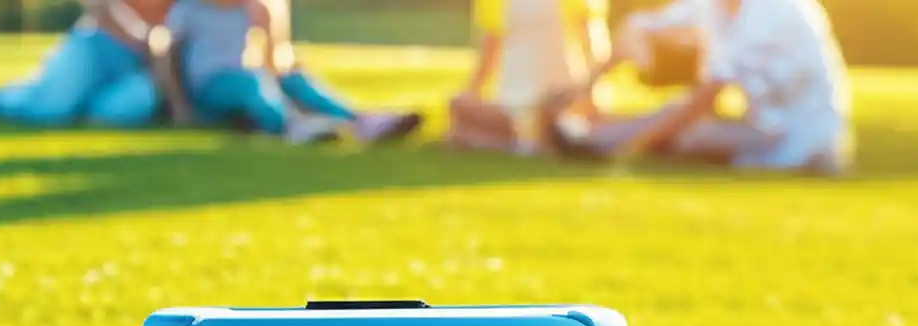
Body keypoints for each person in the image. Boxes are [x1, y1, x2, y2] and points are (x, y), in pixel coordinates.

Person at [548, 0, 854, 174]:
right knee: (680, 122)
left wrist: (636, 147)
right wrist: (589, 88)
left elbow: (702, 101)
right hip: (765, 125)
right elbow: (639, 26)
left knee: (689, 130)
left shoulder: (774, 10)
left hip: (801, 137)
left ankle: (596, 141)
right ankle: (589, 135)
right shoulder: (714, 6)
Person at [153, 0, 421, 143]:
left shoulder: (253, 9)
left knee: (294, 79)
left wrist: (266, 21)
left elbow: (274, 63)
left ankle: (362, 121)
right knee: (250, 83)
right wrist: (180, 108)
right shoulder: (188, 9)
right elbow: (168, 60)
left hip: (251, 79)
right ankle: (292, 125)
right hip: (210, 87)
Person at [0, 0, 168, 127]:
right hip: (100, 46)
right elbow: (100, 9)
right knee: (52, 108)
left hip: (144, 65)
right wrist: (144, 43)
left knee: (131, 104)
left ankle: (77, 109)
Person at [447, 0, 608, 153]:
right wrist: (471, 94)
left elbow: (592, 45)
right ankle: (529, 137)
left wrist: (590, 96)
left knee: (550, 117)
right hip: (511, 103)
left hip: (560, 99)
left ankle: (526, 138)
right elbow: (491, 48)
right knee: (459, 104)